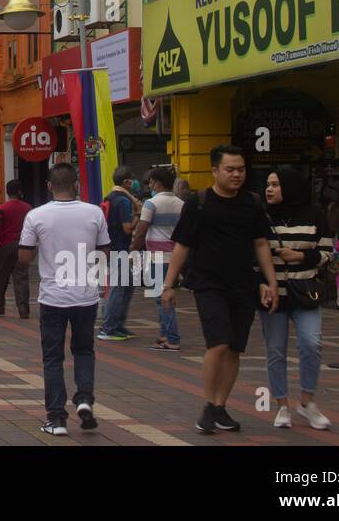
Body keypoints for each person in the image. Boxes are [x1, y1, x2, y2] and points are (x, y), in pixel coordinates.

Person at [161, 144, 279, 434]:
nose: (236, 174)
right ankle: (208, 404)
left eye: (241, 169)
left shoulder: (252, 203)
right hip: (207, 284)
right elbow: (182, 245)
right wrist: (168, 284)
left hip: (244, 285)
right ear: (215, 170)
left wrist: (272, 282)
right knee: (219, 342)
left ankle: (220, 406)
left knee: (236, 347)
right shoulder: (198, 202)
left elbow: (261, 243)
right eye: (230, 169)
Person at [19, 162, 111, 436]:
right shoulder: (94, 213)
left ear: (49, 186)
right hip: (85, 296)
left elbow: (24, 257)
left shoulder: (36, 216)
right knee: (84, 351)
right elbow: (105, 253)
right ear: (76, 185)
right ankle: (84, 399)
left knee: (52, 358)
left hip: (53, 297)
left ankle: (57, 418)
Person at [260, 166, 333, 430]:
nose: (269, 189)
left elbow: (327, 252)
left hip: (305, 293)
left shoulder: (314, 215)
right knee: (276, 350)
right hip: (273, 295)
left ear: (290, 186)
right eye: (268, 184)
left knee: (311, 343)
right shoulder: (262, 216)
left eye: (276, 184)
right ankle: (282, 406)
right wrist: (260, 284)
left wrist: (301, 256)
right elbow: (253, 255)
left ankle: (307, 402)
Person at [130, 165, 183, 351]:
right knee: (163, 295)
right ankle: (163, 334)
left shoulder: (151, 204)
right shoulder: (181, 204)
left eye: (151, 181)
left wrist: (133, 250)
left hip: (157, 257)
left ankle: (172, 338)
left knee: (162, 298)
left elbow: (141, 229)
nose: (150, 185)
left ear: (157, 183)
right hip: (175, 257)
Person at [97, 167, 142, 341]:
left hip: (113, 248)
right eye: (133, 179)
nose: (135, 183)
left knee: (127, 286)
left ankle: (118, 325)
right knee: (118, 289)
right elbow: (127, 228)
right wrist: (138, 215)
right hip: (119, 249)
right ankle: (108, 328)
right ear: (127, 182)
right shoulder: (123, 201)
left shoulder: (110, 197)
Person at [0, 180, 32, 318]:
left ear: (7, 192)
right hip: (23, 245)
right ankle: (23, 309)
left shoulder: (2, 208)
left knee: (0, 276)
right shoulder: (28, 208)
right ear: (20, 192)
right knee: (21, 278)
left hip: (6, 246)